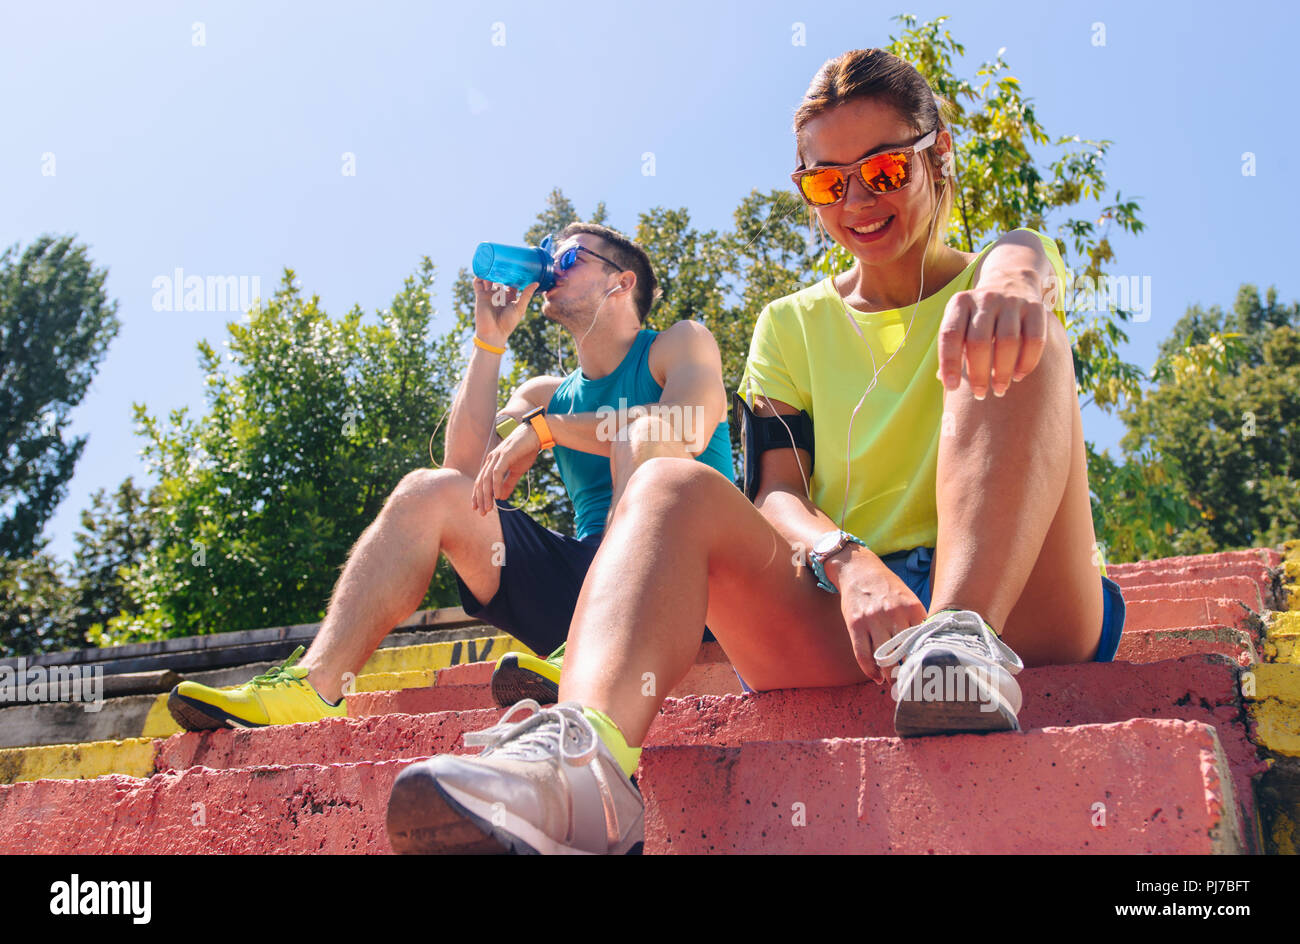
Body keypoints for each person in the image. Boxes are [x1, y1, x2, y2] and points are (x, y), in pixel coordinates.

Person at [385, 48, 1127, 855]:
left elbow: (1023, 258)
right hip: (852, 624)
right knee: (668, 481)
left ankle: (960, 639)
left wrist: (1019, 277)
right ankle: (583, 774)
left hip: (1022, 610)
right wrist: (848, 560)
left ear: (937, 155)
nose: (856, 200)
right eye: (825, 181)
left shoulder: (995, 275)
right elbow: (774, 493)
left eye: (883, 170)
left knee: (1022, 326)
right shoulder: (789, 325)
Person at [165, 223, 733, 730]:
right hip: (585, 594)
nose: (548, 268)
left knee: (648, 431)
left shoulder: (678, 343)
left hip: (695, 585)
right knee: (426, 492)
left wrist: (545, 431)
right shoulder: (545, 395)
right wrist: (490, 340)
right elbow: (466, 477)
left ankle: (605, 646)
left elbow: (689, 423)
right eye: (546, 256)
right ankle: (315, 686)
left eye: (568, 258)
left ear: (620, 283)